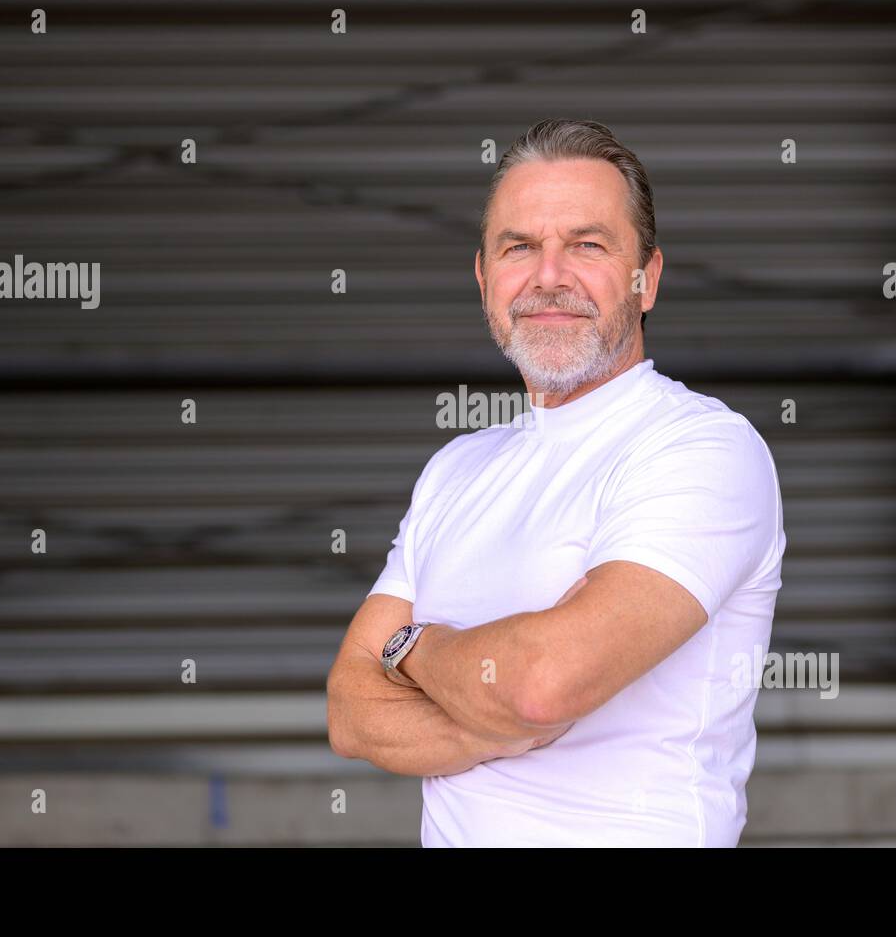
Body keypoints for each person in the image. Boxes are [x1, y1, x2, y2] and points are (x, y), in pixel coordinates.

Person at [327, 118, 786, 847]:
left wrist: (410, 648)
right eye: (519, 247)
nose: (549, 276)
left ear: (649, 279)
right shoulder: (456, 470)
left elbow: (543, 686)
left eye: (587, 245)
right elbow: (350, 712)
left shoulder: (702, 448)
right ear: (484, 279)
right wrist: (496, 721)